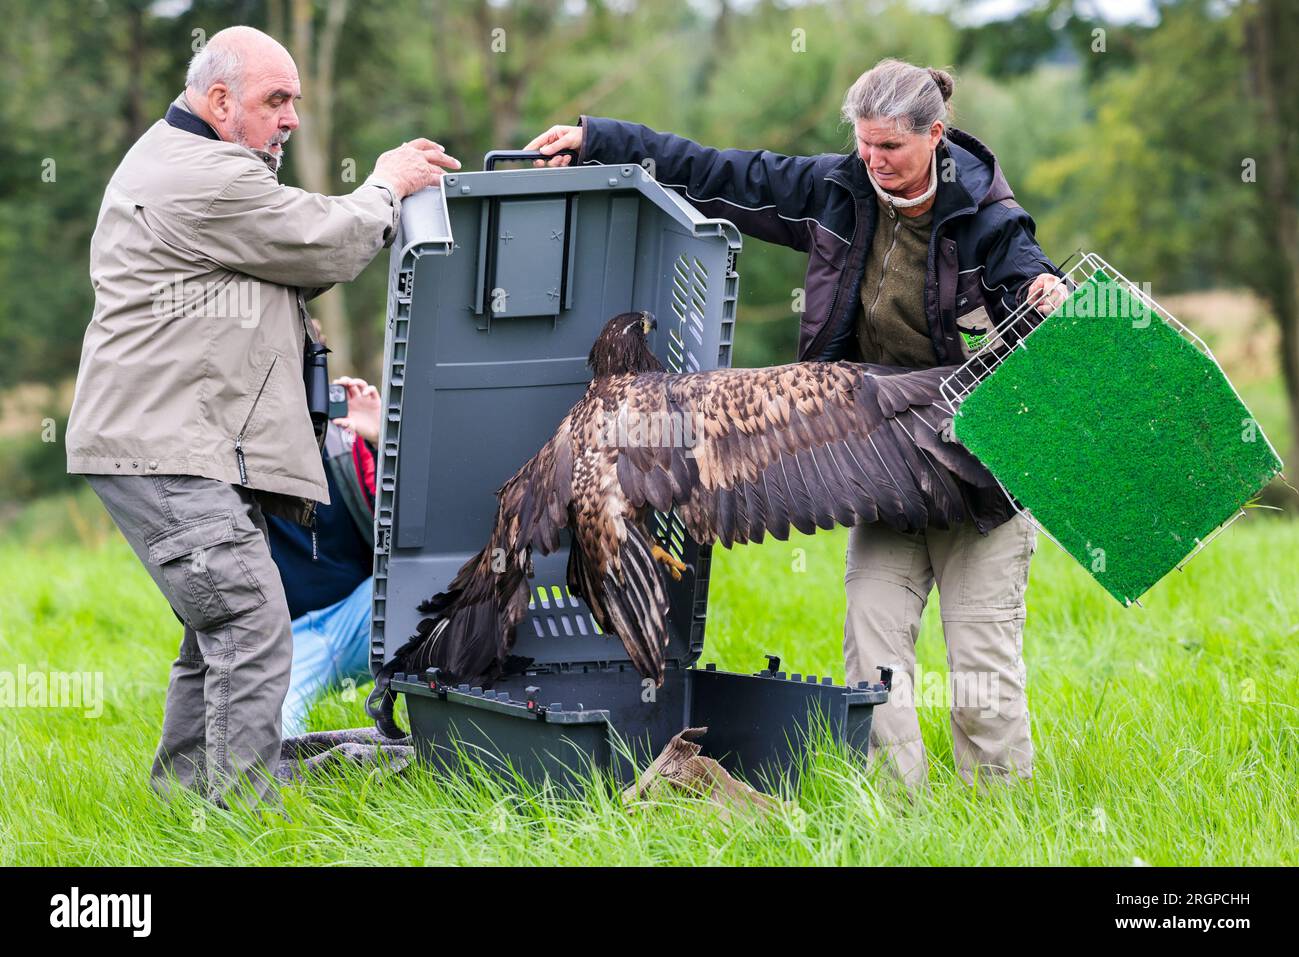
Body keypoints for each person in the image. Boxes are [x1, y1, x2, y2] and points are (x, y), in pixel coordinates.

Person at [523, 58, 1067, 790]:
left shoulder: (987, 220)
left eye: (891, 149)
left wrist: (1045, 290)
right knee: (873, 666)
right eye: (865, 144)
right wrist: (600, 138)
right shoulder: (838, 192)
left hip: (977, 477)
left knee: (982, 676)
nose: (874, 161)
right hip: (881, 468)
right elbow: (722, 173)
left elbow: (1027, 278)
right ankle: (898, 821)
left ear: (935, 135)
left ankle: (1002, 820)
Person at [65, 25, 459, 808]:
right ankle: (244, 816)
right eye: (276, 100)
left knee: (218, 627)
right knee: (249, 614)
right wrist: (386, 184)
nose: (292, 120)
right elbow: (322, 242)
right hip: (164, 446)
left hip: (161, 441)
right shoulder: (206, 174)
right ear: (219, 102)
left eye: (297, 103)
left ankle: (182, 803)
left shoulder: (181, 162)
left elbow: (270, 269)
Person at [268, 373, 380, 739]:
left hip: (364, 611)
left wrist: (384, 441)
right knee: (272, 736)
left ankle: (445, 751)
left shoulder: (345, 444)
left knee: (449, 605)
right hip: (285, 640)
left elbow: (422, 534)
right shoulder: (230, 453)